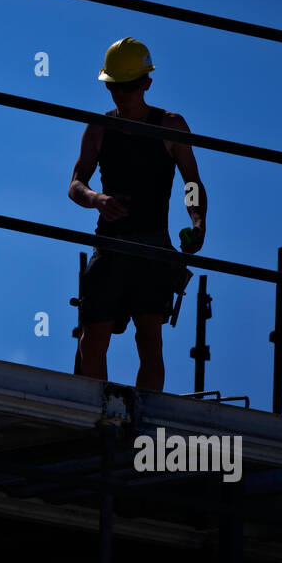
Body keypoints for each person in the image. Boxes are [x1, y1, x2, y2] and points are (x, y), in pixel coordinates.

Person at [68, 37, 207, 390]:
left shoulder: (171, 126)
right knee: (93, 338)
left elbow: (192, 182)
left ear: (146, 83)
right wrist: (97, 199)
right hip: (111, 243)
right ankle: (99, 412)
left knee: (149, 339)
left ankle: (143, 418)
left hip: (152, 246)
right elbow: (75, 184)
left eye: (127, 87)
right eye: (114, 87)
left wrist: (197, 222)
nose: (120, 94)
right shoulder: (100, 127)